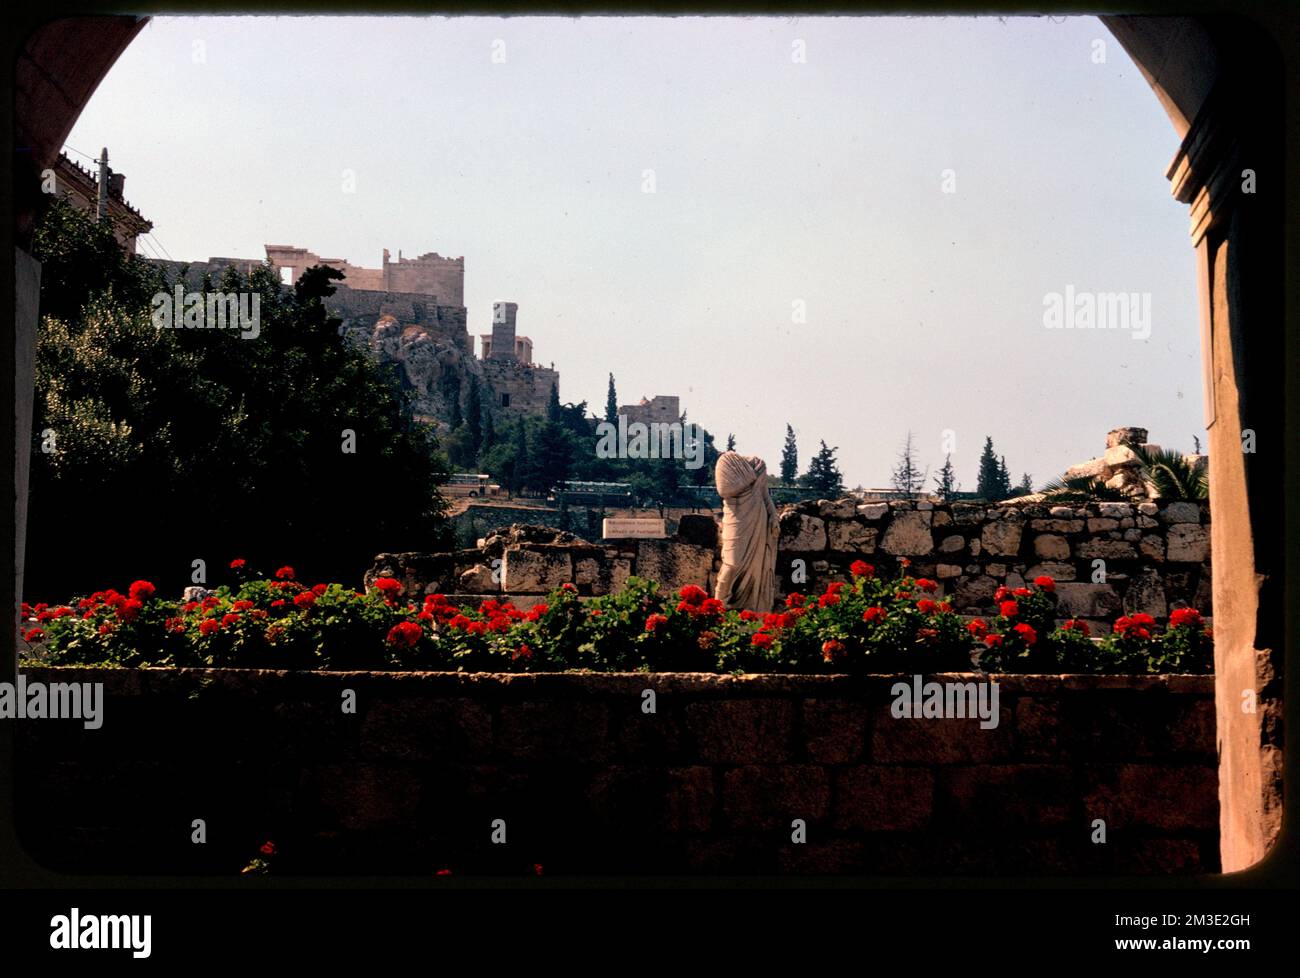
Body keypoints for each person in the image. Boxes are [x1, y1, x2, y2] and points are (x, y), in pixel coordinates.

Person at [713, 451, 779, 612]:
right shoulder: (725, 461)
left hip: (759, 517)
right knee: (732, 563)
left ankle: (751, 609)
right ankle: (717, 607)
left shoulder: (759, 464)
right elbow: (724, 490)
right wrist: (751, 476)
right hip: (736, 517)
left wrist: (773, 516)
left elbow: (764, 494)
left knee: (757, 567)